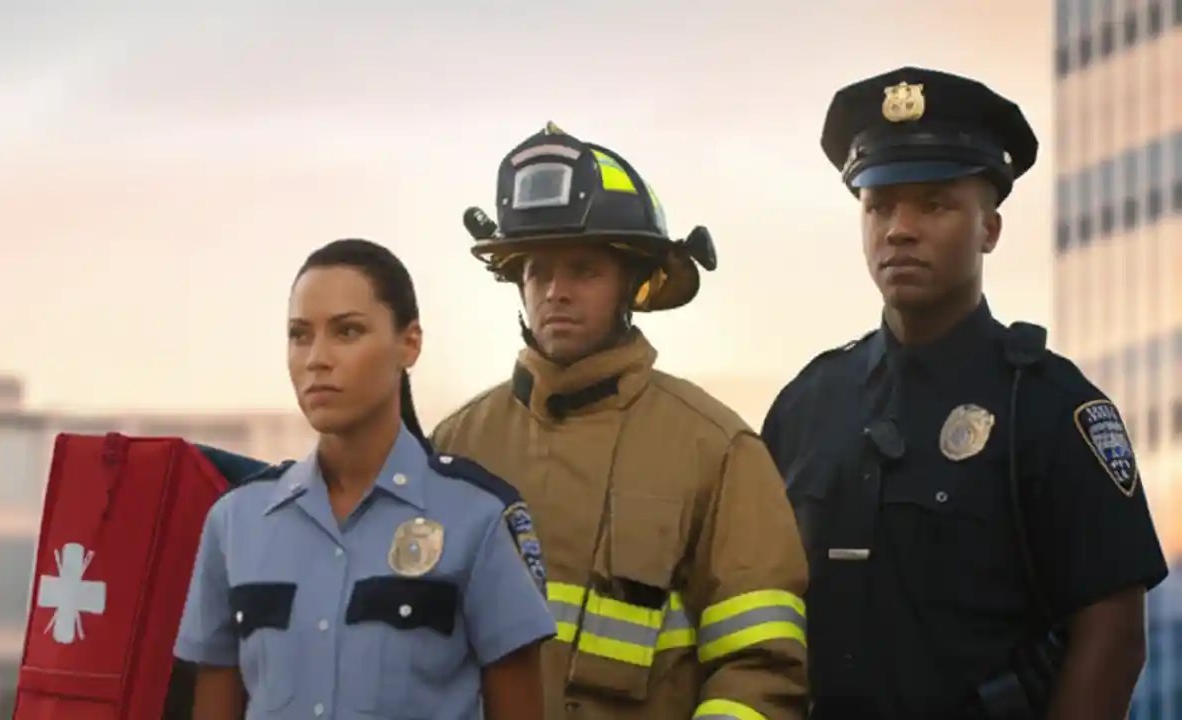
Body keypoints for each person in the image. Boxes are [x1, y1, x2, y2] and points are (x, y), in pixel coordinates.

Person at [761, 66, 1170, 720]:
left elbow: (1113, 637)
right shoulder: (807, 405)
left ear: (989, 230)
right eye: (881, 205)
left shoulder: (1049, 405)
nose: (900, 229)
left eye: (934, 204)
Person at [433, 122, 810, 720]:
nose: (556, 291)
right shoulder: (457, 445)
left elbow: (761, 669)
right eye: (538, 270)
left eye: (584, 270)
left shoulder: (716, 449)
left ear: (632, 284)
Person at [173, 238, 557, 720]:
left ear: (409, 343)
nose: (317, 358)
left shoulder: (476, 519)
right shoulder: (236, 522)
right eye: (299, 335)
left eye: (347, 332)